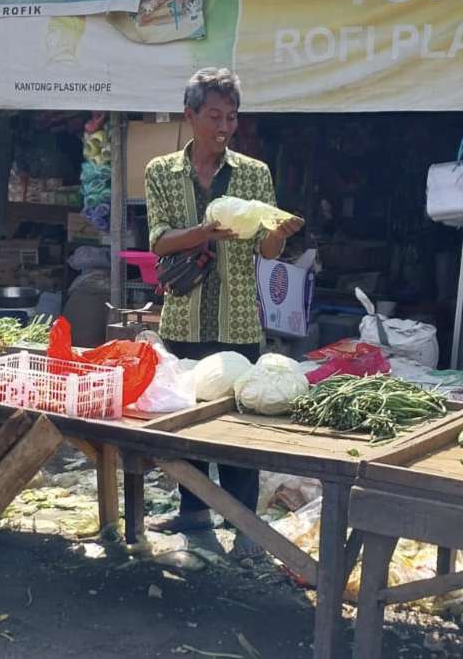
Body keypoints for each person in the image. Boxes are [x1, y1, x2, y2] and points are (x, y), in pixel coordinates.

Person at [143, 67, 303, 559]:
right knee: (188, 425)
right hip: (183, 318)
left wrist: (281, 231)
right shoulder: (161, 172)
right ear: (190, 115)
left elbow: (269, 249)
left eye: (231, 117)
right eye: (214, 115)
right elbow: (159, 241)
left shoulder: (255, 173)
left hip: (237, 320)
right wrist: (207, 231)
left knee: (239, 429)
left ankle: (246, 529)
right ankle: (193, 514)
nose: (225, 126)